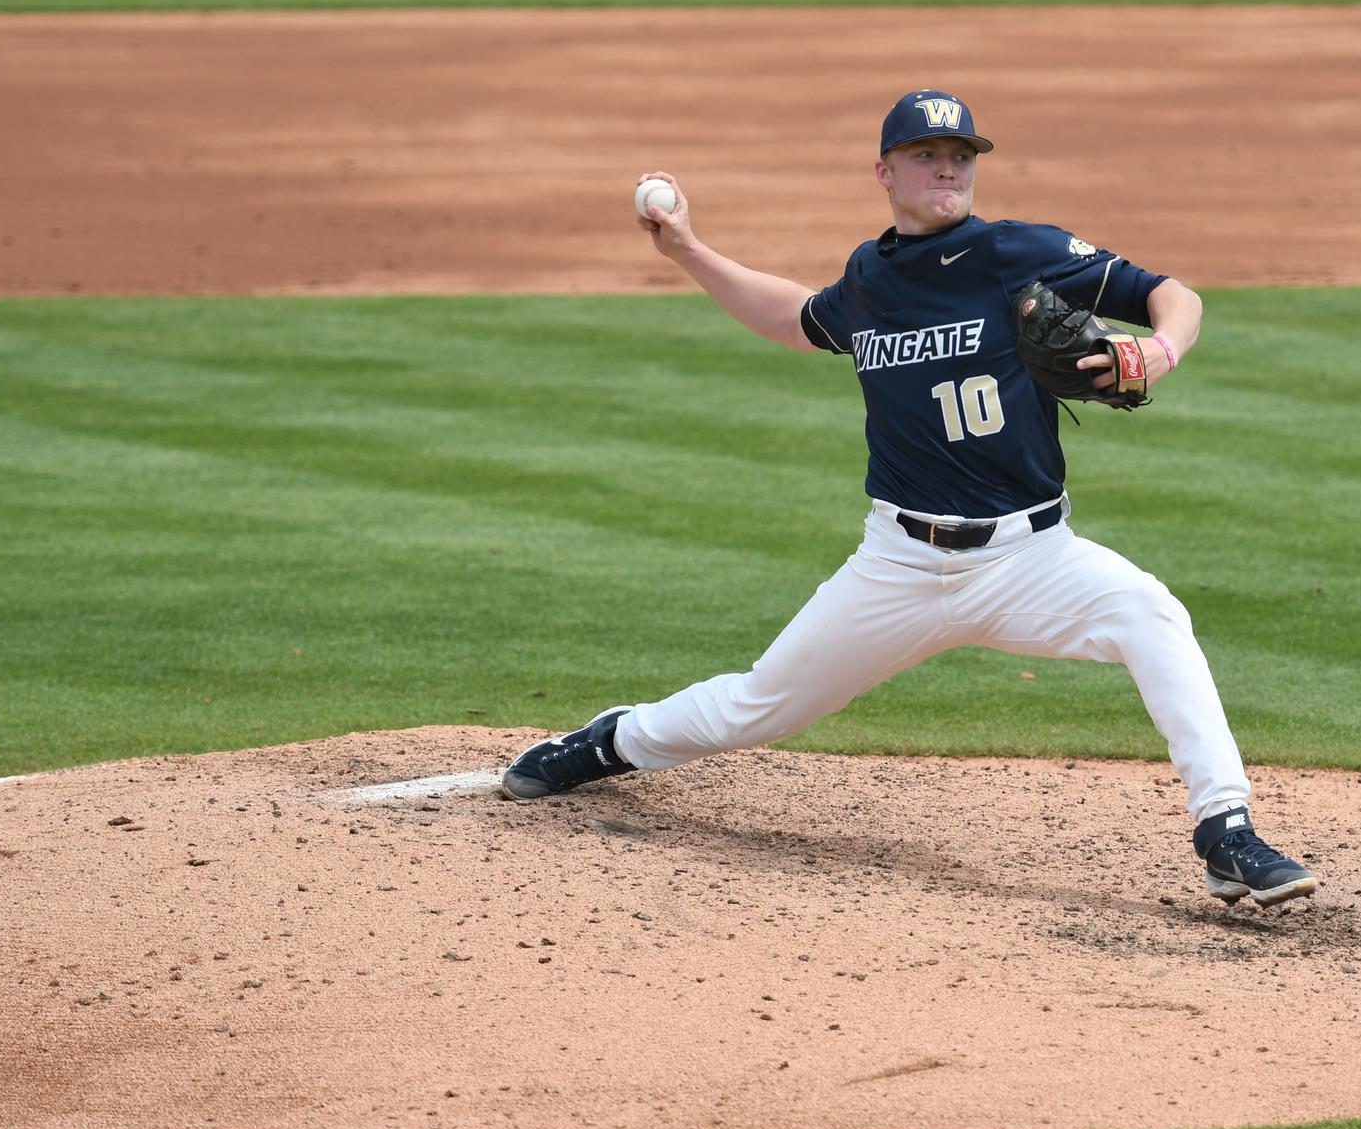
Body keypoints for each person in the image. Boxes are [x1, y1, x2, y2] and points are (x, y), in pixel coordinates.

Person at [502, 90, 1317, 907]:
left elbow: (1176, 296)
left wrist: (1159, 351)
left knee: (1152, 613)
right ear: (885, 171)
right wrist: (686, 249)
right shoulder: (871, 277)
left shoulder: (1018, 251)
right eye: (928, 155)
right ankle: (612, 741)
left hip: (1032, 556)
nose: (948, 169)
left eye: (962, 155)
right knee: (760, 708)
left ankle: (1226, 830)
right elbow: (795, 318)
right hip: (897, 563)